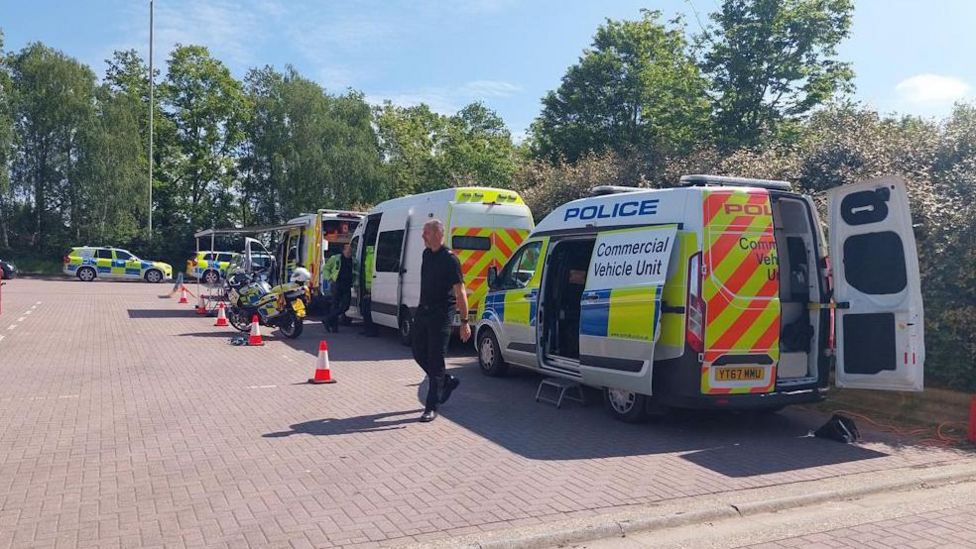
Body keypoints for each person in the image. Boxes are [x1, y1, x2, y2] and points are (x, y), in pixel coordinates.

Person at [412, 219, 471, 423]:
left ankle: (431, 406)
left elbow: (460, 291)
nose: (422, 236)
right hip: (423, 312)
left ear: (437, 234)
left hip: (441, 315)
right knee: (417, 351)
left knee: (436, 360)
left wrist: (464, 321)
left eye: (426, 232)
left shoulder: (450, 259)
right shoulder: (426, 254)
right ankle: (446, 381)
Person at [322, 244, 353, 333]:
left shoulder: (353, 260)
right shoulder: (335, 258)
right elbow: (326, 269)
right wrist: (329, 278)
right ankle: (334, 327)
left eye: (351, 251)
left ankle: (327, 319)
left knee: (345, 306)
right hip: (337, 284)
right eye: (348, 251)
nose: (349, 253)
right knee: (335, 306)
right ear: (343, 251)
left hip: (347, 285)